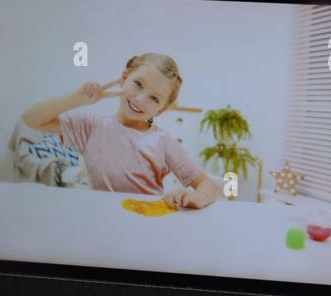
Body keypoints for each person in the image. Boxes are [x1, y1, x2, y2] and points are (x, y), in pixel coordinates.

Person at [22, 53, 221, 206]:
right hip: (100, 220)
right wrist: (76, 99)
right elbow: (31, 119)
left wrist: (198, 197)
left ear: (161, 110)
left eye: (154, 98)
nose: (140, 99)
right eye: (138, 84)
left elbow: (207, 185)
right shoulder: (91, 127)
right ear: (124, 78)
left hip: (144, 223)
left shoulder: (163, 141)